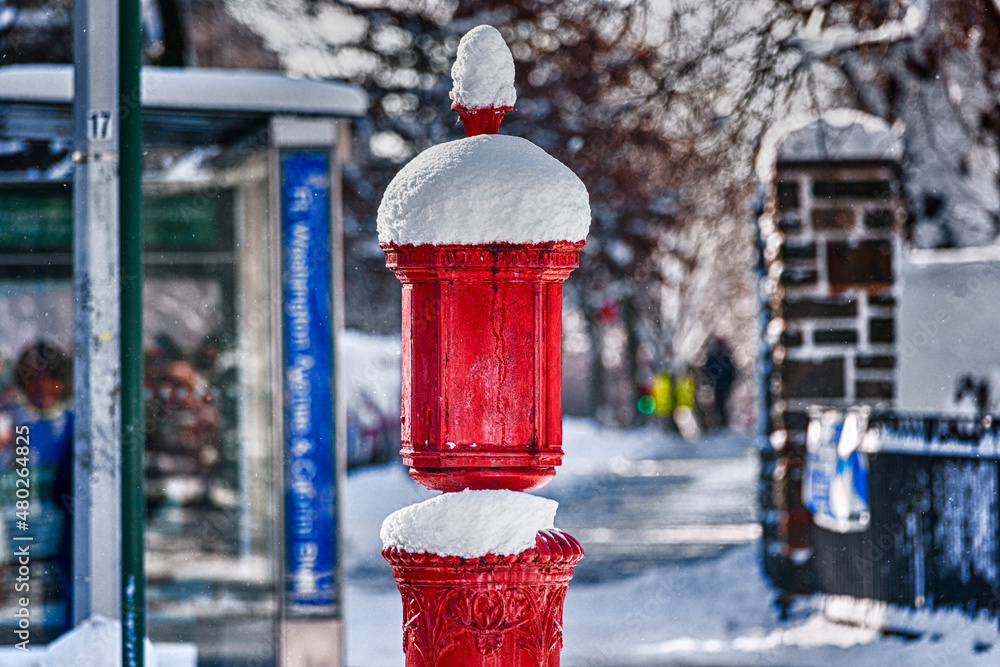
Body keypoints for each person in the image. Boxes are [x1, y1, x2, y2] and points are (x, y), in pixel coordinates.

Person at [0, 341, 74, 636]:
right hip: (13, 542)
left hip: (57, 543)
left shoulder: (74, 422)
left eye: (50, 377)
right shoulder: (11, 421)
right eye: (34, 377)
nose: (42, 386)